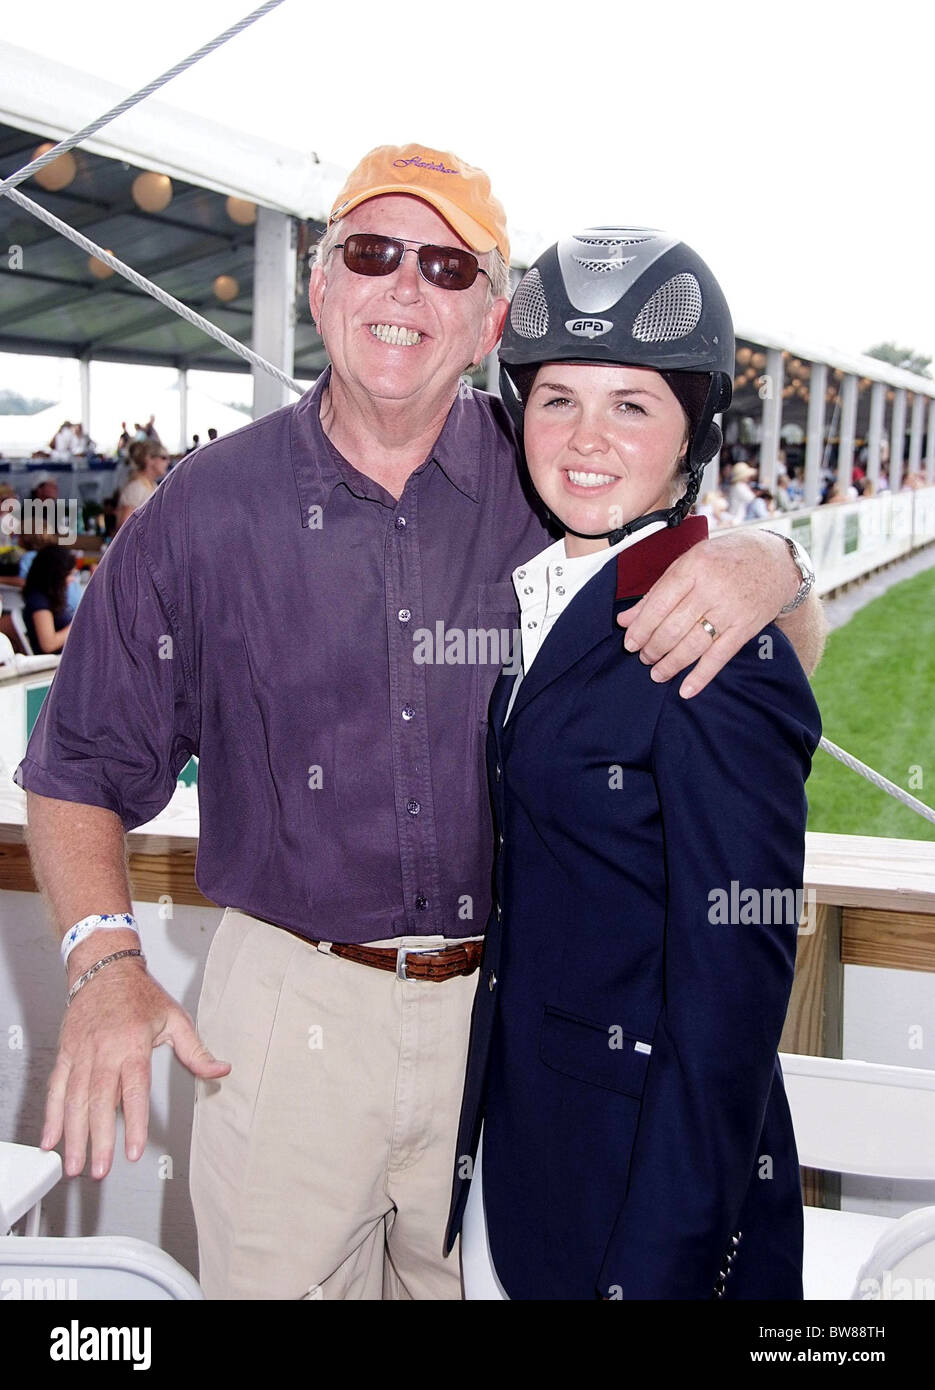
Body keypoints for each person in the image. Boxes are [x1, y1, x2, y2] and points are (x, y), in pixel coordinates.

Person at [16, 144, 824, 1302]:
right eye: (372, 253)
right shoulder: (205, 507)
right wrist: (101, 963)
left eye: (447, 265)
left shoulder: (551, 466)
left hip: (501, 1027)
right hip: (286, 1008)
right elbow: (78, 761)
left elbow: (753, 679)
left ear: (492, 318)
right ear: (320, 285)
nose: (405, 288)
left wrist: (770, 559)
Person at [447, 228, 822, 1300]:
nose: (585, 437)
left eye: (630, 404)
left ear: (691, 430)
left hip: (635, 1217)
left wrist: (658, 1275)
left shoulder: (711, 643)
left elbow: (727, 1019)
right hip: (521, 1172)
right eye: (557, 398)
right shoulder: (555, 600)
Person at [22, 543, 77, 654]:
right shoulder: (39, 602)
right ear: (56, 575)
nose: (73, 579)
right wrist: (78, 624)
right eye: (69, 574)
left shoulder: (50, 597)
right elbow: (48, 644)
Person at [116, 440, 168, 528]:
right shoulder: (136, 488)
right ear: (149, 459)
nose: (167, 462)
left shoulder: (152, 485)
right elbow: (124, 528)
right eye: (163, 458)